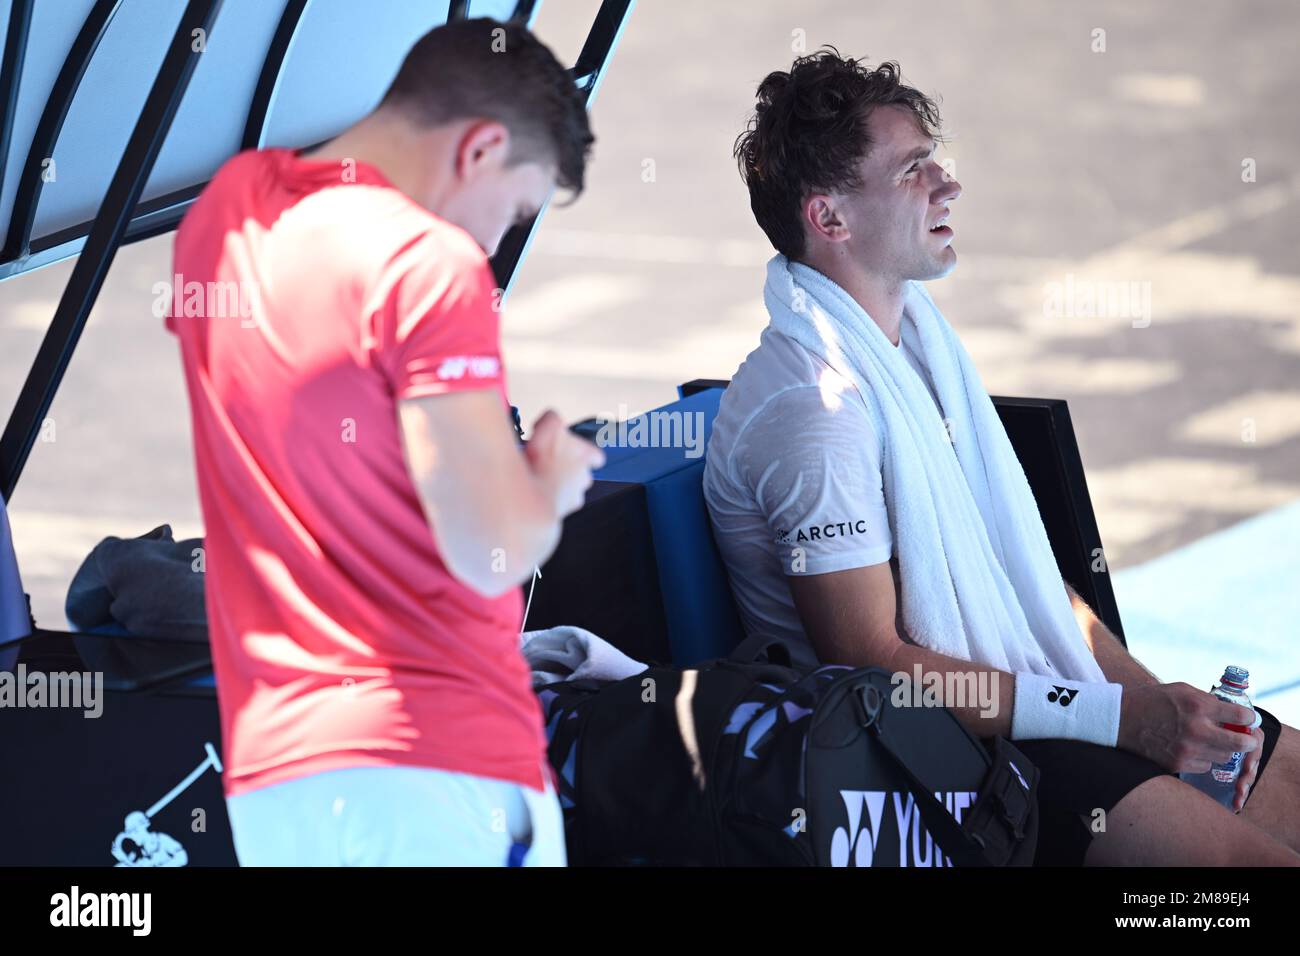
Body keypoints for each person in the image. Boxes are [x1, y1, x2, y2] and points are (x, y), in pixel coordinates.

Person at [704, 48, 1300, 866]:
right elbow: (873, 667)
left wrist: (1153, 704)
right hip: (935, 769)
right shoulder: (815, 409)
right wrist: (1124, 723)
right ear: (830, 217)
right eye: (914, 170)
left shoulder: (915, 345)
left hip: (1021, 709)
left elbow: (1025, 587)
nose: (947, 185)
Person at [167, 17, 603, 866]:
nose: (492, 243)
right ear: (478, 149)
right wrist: (544, 488)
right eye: (513, 211)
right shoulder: (431, 263)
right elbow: (489, 550)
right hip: (437, 762)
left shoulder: (226, 215)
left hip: (278, 772)